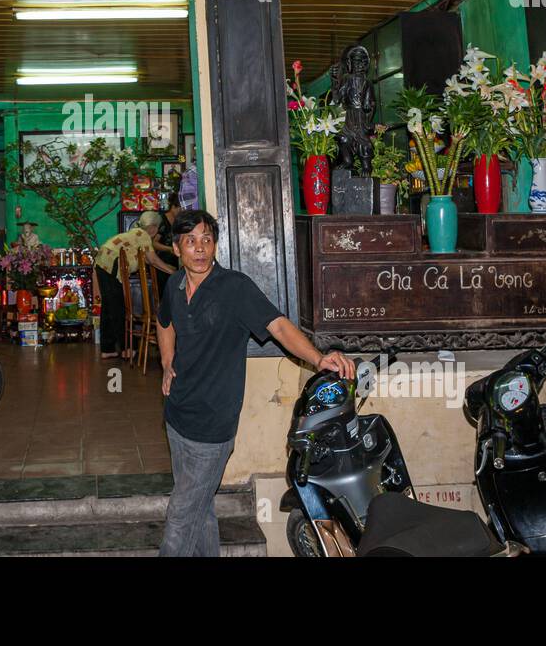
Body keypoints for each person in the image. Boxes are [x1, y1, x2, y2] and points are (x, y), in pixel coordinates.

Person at [156, 209, 354, 557]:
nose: (200, 249)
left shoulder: (234, 288)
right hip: (177, 416)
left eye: (207, 240)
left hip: (213, 424)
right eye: (191, 241)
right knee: (199, 510)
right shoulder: (173, 285)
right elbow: (164, 322)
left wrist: (319, 358)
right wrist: (167, 362)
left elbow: (278, 326)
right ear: (177, 249)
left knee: (180, 515)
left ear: (215, 245)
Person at [93, 212, 177, 359]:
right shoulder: (143, 235)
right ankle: (128, 348)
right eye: (157, 228)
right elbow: (153, 260)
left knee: (109, 307)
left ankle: (108, 348)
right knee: (117, 306)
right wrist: (172, 271)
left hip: (102, 261)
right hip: (110, 263)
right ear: (152, 228)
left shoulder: (135, 232)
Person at [151, 193, 182, 295]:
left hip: (173, 262)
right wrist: (169, 249)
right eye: (180, 209)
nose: (181, 212)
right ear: (173, 207)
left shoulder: (177, 222)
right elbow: (154, 243)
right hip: (161, 263)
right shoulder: (162, 220)